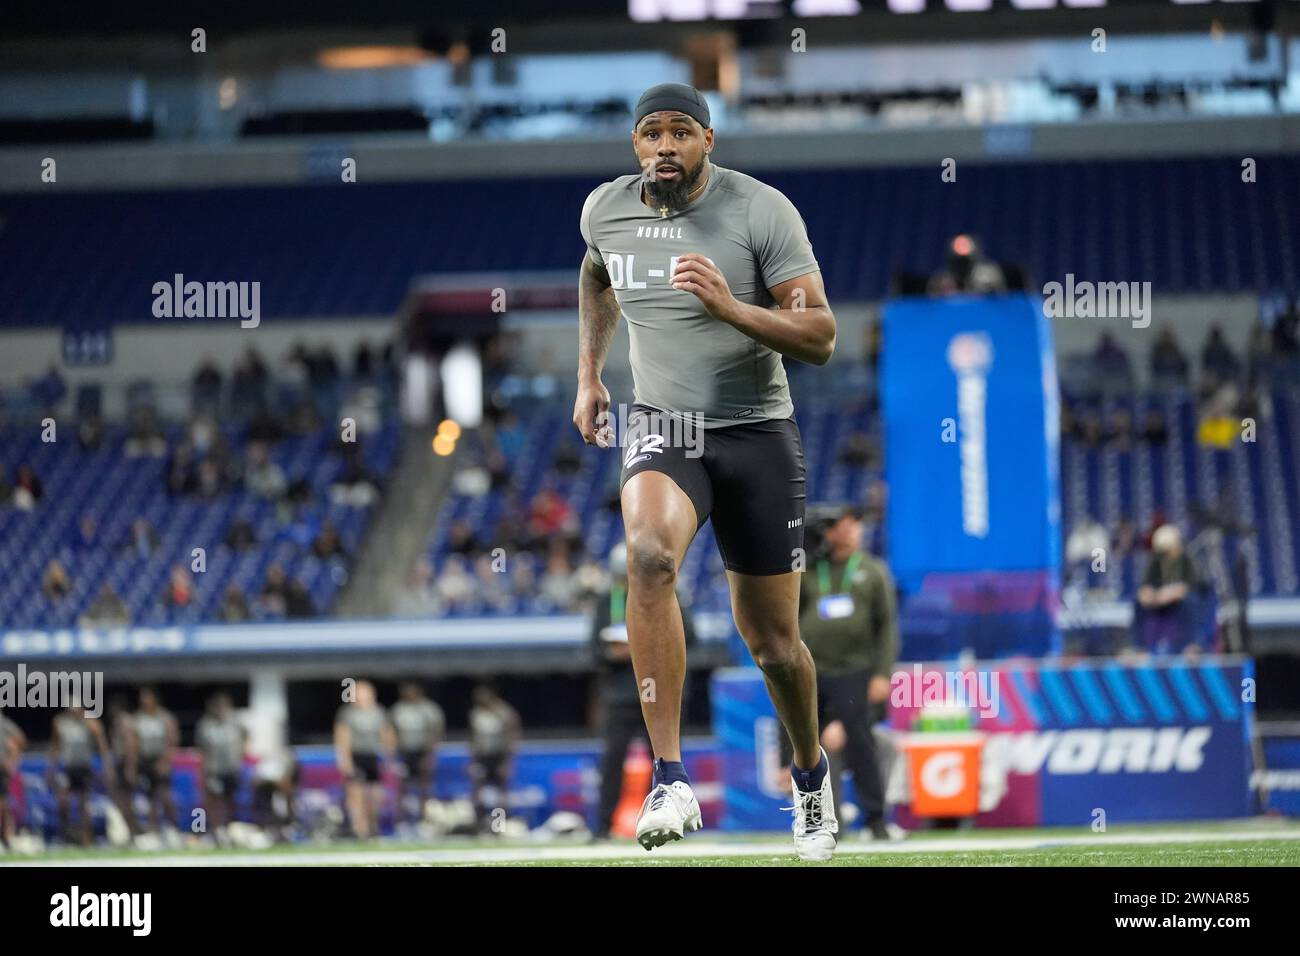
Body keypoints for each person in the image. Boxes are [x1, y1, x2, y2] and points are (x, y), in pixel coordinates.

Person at [573, 82, 840, 860]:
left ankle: (811, 779)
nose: (664, 146)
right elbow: (597, 276)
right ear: (634, 145)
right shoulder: (605, 210)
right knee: (648, 555)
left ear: (708, 141)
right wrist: (590, 374)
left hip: (757, 432)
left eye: (680, 132)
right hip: (665, 423)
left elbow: (820, 335)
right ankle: (669, 775)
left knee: (775, 645)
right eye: (650, 133)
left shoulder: (763, 212)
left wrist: (730, 308)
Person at [782, 505, 899, 840]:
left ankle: (876, 819)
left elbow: (886, 626)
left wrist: (882, 673)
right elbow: (785, 598)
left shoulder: (871, 570)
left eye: (851, 525)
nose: (844, 532)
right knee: (809, 744)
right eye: (835, 526)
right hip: (812, 671)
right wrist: (803, 544)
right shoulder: (809, 567)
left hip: (855, 670)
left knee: (861, 745)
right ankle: (819, 820)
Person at [590, 542, 696, 841]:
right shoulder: (606, 600)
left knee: (666, 759)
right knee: (612, 761)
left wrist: (648, 647)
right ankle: (602, 826)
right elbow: (594, 650)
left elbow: (690, 637)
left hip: (661, 692)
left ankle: (675, 822)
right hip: (622, 694)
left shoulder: (668, 596)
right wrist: (618, 653)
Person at [334, 680, 395, 840]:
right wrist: (345, 759)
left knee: (374, 795)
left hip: (373, 756)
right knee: (356, 793)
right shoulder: (348, 713)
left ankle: (374, 826)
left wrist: (389, 755)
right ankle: (360, 829)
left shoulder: (378, 712)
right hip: (356, 756)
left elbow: (386, 733)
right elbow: (342, 736)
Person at [1135, 524, 1205, 655]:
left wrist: (1169, 594)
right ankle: (1140, 648)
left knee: (1192, 601)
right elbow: (1145, 586)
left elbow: (1189, 586)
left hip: (1179, 603)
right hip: (1159, 602)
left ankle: (1192, 645)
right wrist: (1148, 594)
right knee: (1138, 603)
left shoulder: (1187, 559)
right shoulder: (1155, 560)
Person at [50, 704, 114, 846]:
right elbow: (55, 746)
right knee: (63, 801)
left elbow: (101, 743)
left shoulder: (89, 722)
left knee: (83, 804)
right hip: (67, 767)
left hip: (83, 767)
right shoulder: (60, 722)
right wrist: (51, 767)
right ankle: (66, 835)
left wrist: (107, 764)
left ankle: (87, 838)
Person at [126, 688, 180, 839]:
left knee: (165, 796)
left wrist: (165, 761)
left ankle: (174, 828)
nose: (145, 701)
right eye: (142, 699)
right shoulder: (137, 719)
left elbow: (172, 741)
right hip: (145, 761)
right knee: (149, 798)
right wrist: (132, 766)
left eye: (147, 698)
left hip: (161, 759)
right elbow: (133, 744)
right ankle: (153, 830)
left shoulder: (165, 717)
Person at [389, 683, 445, 827]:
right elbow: (390, 731)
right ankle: (401, 820)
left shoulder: (428, 709)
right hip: (405, 752)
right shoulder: (399, 709)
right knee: (402, 786)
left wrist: (431, 753)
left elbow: (437, 731)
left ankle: (424, 818)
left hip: (422, 751)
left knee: (423, 786)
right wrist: (393, 753)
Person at [467, 685, 521, 835]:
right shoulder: (476, 713)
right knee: (477, 791)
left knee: (500, 793)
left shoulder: (504, 712)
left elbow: (512, 738)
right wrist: (473, 760)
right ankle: (480, 826)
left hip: (499, 755)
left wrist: (507, 761)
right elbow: (473, 738)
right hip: (482, 756)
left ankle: (498, 826)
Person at [196, 693, 247, 844]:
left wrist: (241, 755)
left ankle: (230, 828)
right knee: (215, 799)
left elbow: (245, 736)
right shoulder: (205, 725)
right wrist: (203, 771)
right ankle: (217, 830)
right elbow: (202, 750)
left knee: (230, 800)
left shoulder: (235, 722)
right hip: (214, 769)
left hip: (231, 768)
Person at [0, 707, 26, 849]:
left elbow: (19, 741)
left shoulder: (4, 724)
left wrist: (11, 763)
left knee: (3, 804)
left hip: (1, 768)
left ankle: (5, 837)